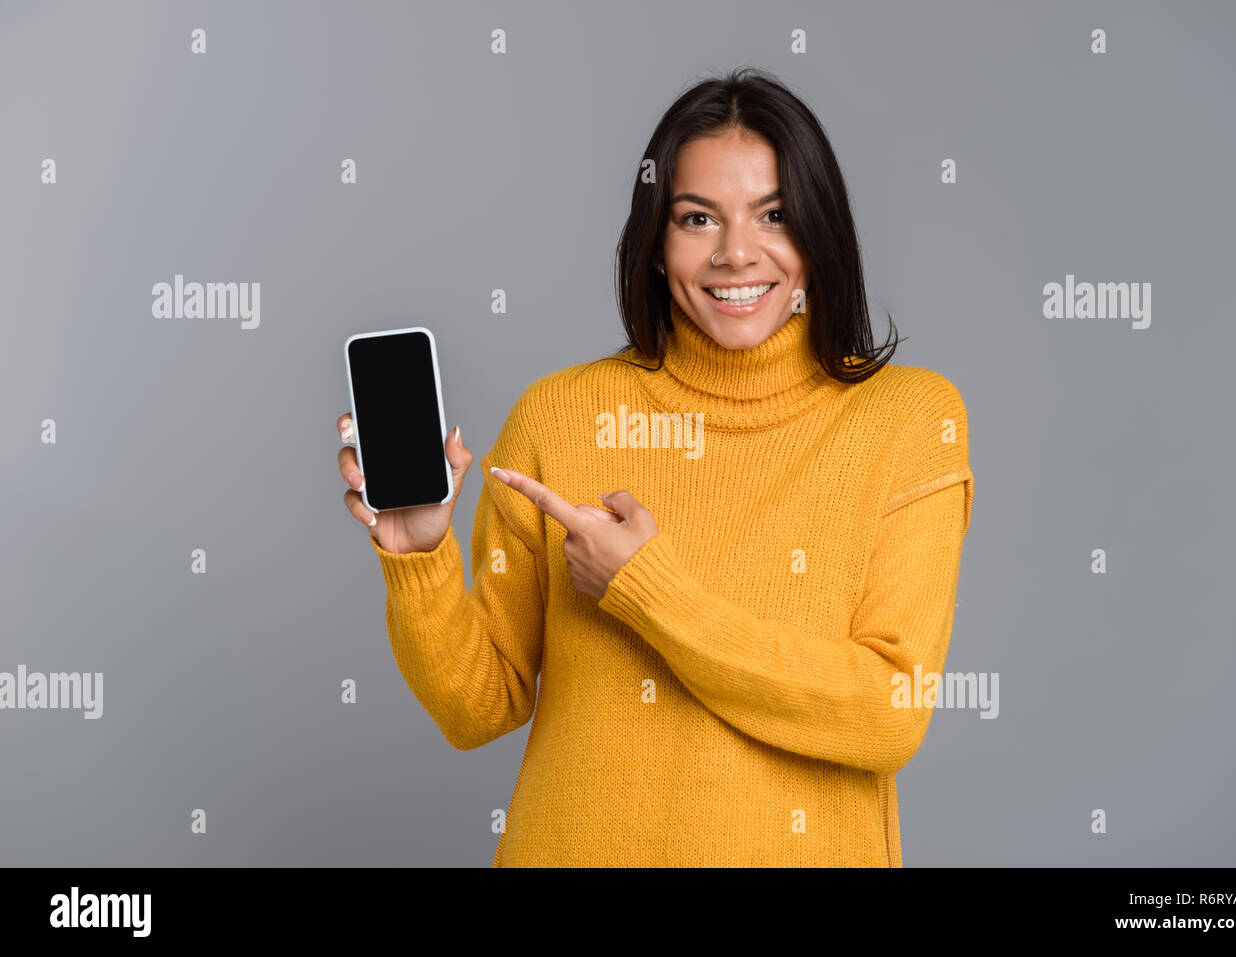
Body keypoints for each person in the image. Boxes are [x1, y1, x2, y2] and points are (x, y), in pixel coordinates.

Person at [335, 67, 973, 866]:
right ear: (657, 239)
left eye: (773, 214)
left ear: (820, 229)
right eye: (698, 218)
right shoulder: (558, 416)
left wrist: (646, 590)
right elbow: (477, 707)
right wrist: (418, 555)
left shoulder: (908, 419)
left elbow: (887, 712)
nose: (737, 253)